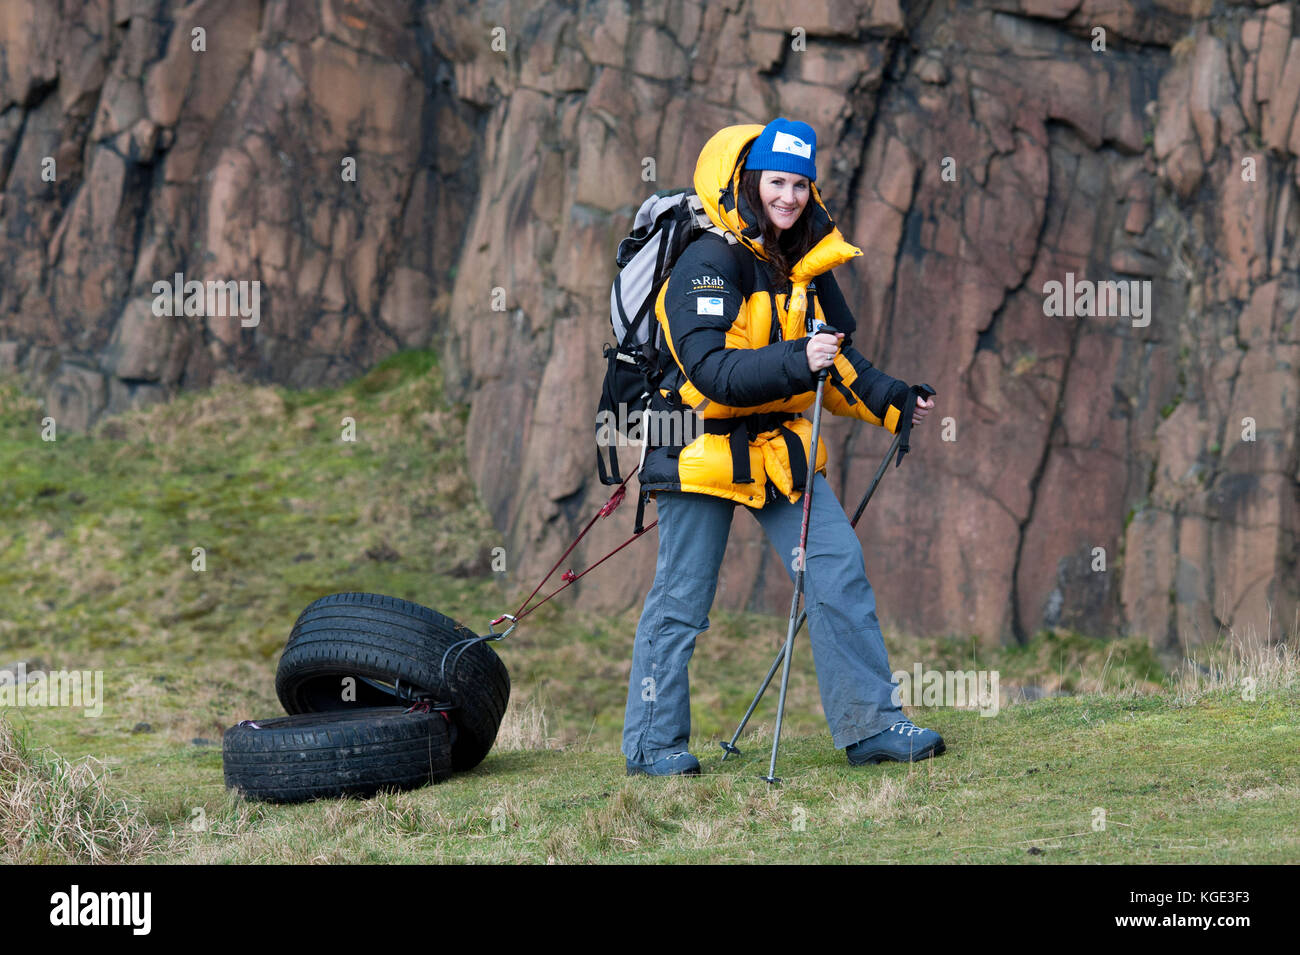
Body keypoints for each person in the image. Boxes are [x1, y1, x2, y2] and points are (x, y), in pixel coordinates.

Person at [622, 118, 944, 776]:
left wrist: (893, 399)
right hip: (698, 449)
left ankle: (873, 726)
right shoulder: (706, 263)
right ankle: (652, 747)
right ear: (750, 182)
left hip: (780, 452)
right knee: (682, 601)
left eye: (800, 184)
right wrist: (801, 357)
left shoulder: (806, 263)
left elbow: (837, 363)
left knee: (837, 571)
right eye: (777, 182)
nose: (790, 196)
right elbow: (714, 375)